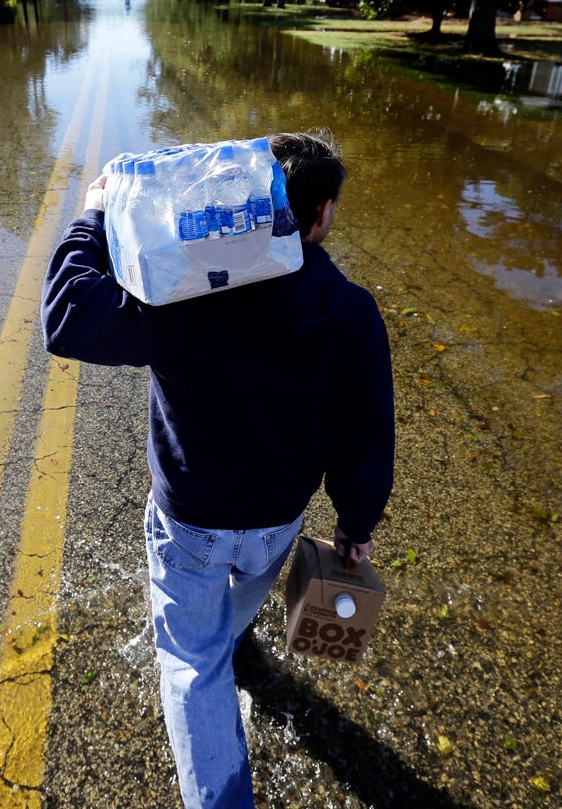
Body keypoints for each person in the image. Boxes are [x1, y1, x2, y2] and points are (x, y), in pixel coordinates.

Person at [40, 130, 394, 809]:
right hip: (277, 523)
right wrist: (356, 522)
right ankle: (229, 637)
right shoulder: (351, 310)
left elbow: (68, 317)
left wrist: (91, 216)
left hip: (191, 522)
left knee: (192, 667)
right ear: (319, 216)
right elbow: (368, 429)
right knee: (235, 605)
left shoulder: (182, 292)